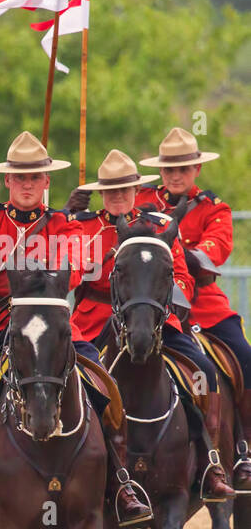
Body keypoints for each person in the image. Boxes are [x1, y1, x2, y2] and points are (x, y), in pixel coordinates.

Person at [0, 131, 150, 529]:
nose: (27, 184)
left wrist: (43, 266)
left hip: (53, 329)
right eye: (19, 177)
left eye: (35, 177)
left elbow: (75, 273)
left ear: (46, 182)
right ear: (7, 181)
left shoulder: (61, 224)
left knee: (104, 386)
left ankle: (120, 480)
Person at [68, 148, 235, 500]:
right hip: (94, 323)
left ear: (136, 190)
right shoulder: (82, 227)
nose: (117, 197)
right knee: (67, 382)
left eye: (124, 190)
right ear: (101, 193)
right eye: (110, 190)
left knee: (203, 370)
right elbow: (69, 275)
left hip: (155, 321)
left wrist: (159, 307)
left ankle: (210, 459)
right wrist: (67, 217)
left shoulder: (158, 226)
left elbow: (183, 278)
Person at [134, 127, 251, 490]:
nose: (176, 175)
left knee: (247, 360)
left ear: (196, 169)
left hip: (204, 309)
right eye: (169, 169)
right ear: (161, 171)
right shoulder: (141, 202)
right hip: (148, 309)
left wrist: (170, 242)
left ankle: (245, 450)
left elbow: (209, 259)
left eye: (183, 168)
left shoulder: (215, 209)